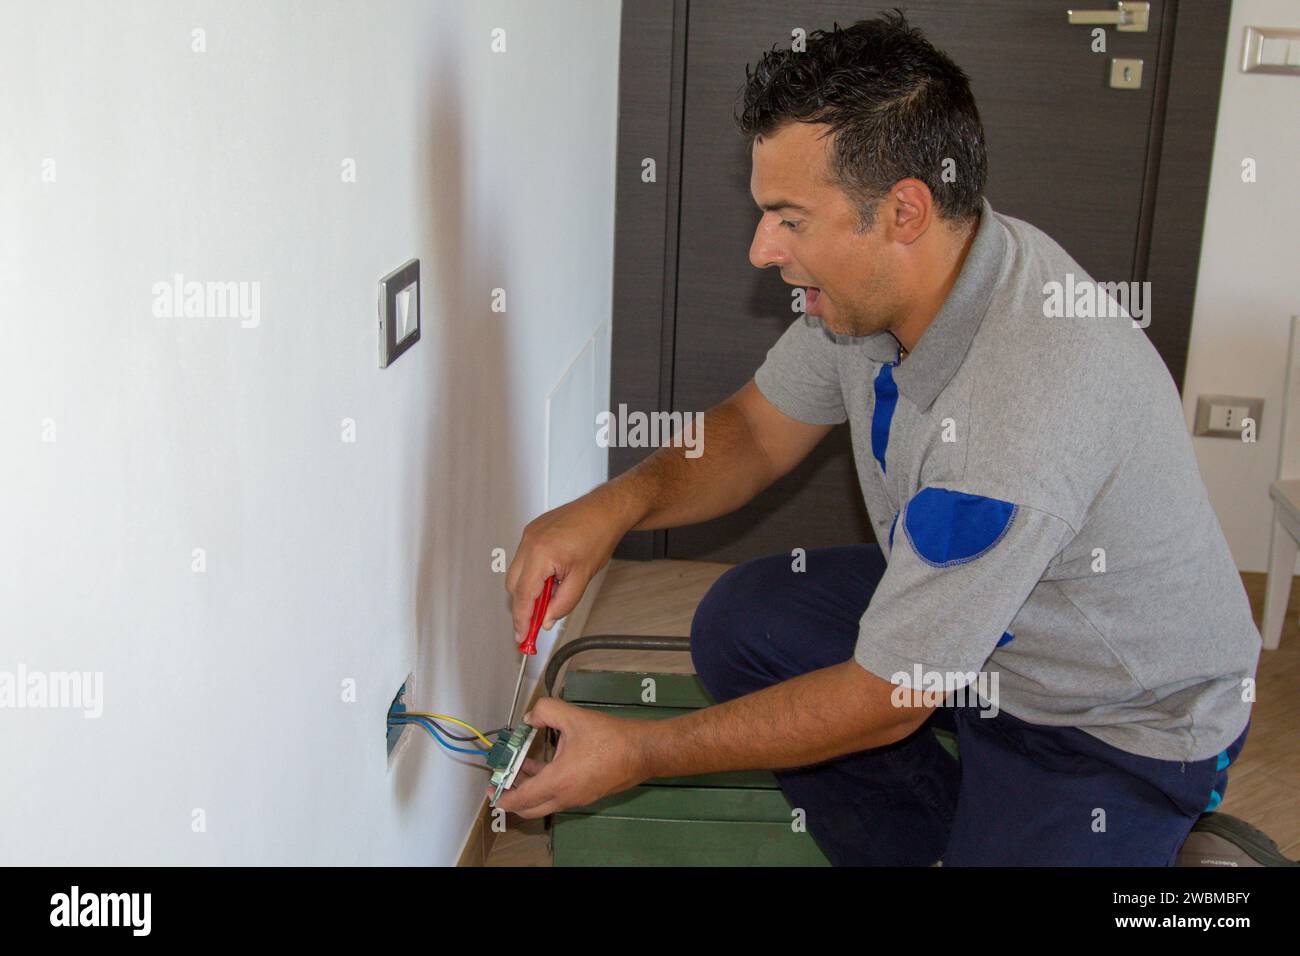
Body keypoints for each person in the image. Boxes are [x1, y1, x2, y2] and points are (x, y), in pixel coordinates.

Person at [494, 13, 1261, 865]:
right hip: (977, 642)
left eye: (789, 218)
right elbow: (753, 430)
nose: (761, 249)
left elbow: (889, 694)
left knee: (890, 702)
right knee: (748, 621)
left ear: (903, 211)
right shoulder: (898, 288)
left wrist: (638, 755)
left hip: (1113, 720)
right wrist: (613, 507)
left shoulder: (1019, 413)